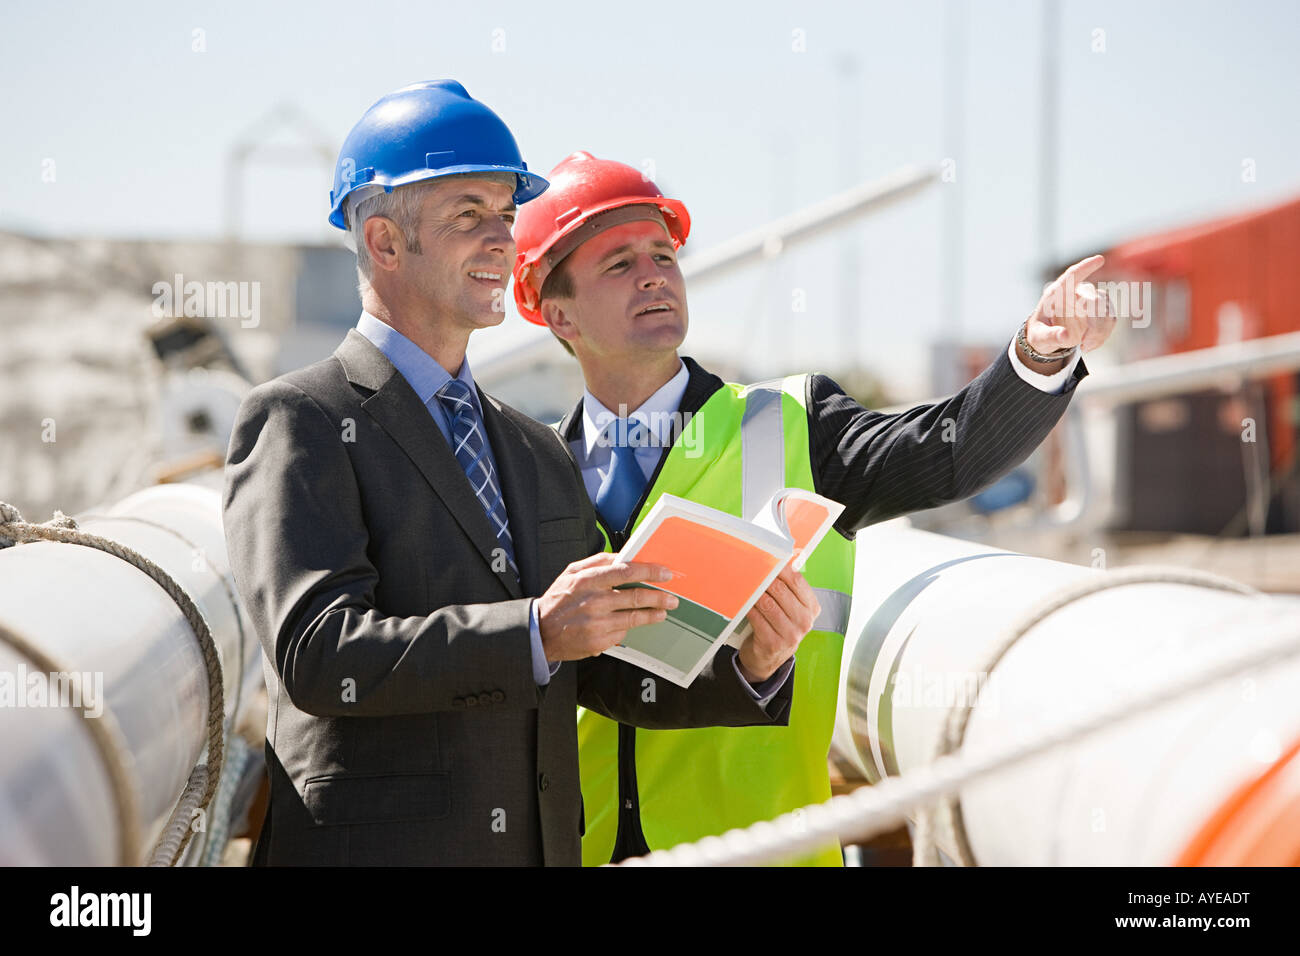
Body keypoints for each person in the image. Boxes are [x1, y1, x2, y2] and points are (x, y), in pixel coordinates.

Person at [222, 84, 814, 866]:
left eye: (506, 213)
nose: (503, 239)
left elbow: (590, 663)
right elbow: (318, 654)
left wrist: (752, 670)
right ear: (384, 241)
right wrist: (535, 629)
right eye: (470, 214)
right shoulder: (302, 417)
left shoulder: (534, 449)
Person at [511, 151, 1116, 865]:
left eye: (663, 255)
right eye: (619, 264)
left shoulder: (794, 423)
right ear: (558, 313)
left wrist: (1037, 357)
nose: (654, 275)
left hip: (766, 853)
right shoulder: (527, 470)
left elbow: (948, 453)